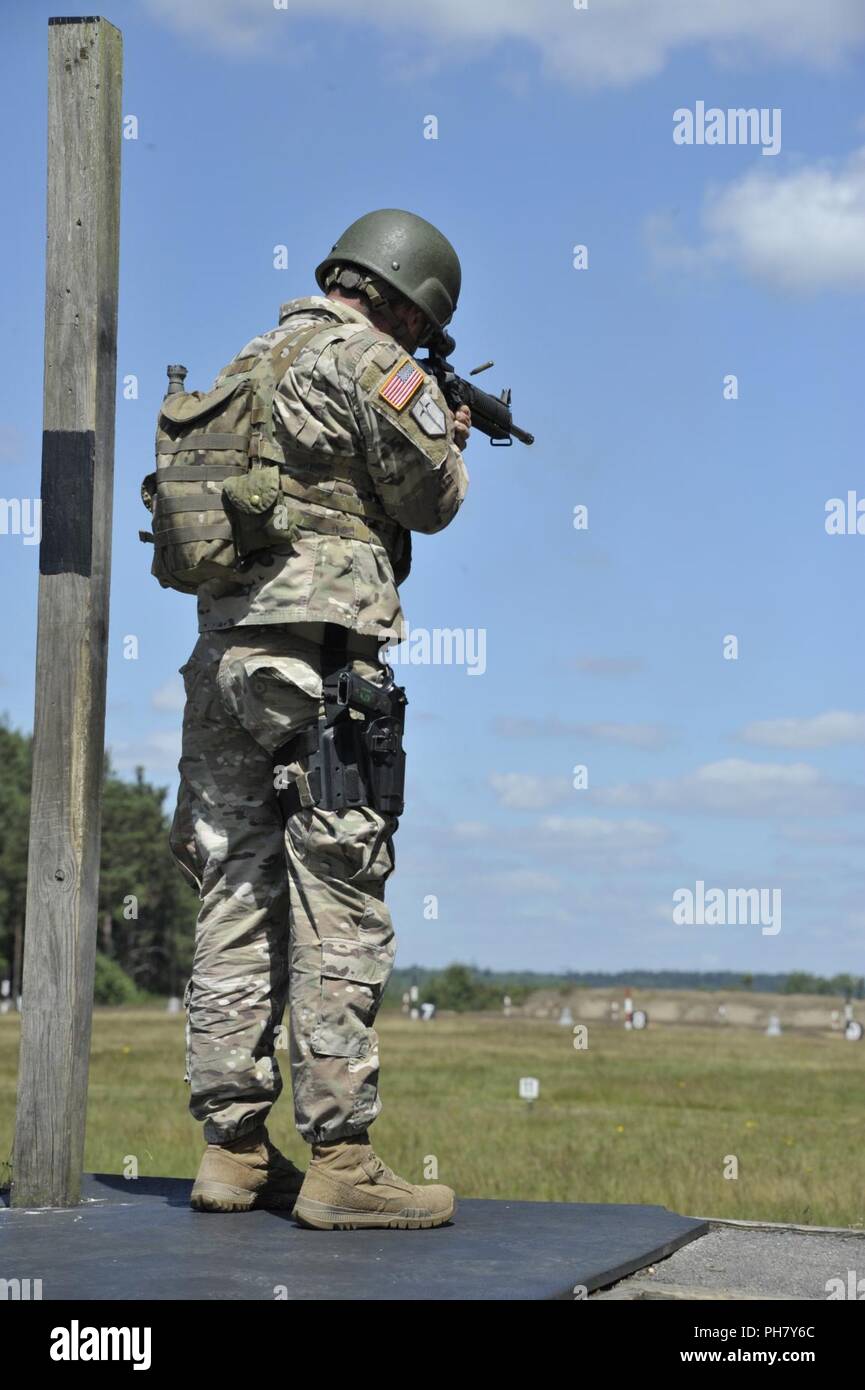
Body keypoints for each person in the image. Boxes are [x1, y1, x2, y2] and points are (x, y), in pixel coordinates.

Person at [168, 209, 470, 1229]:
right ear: (404, 300)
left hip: (222, 657)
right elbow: (429, 498)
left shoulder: (244, 358)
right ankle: (341, 1157)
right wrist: (450, 434)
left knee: (233, 890)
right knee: (338, 892)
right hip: (321, 657)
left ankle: (232, 1151)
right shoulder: (370, 362)